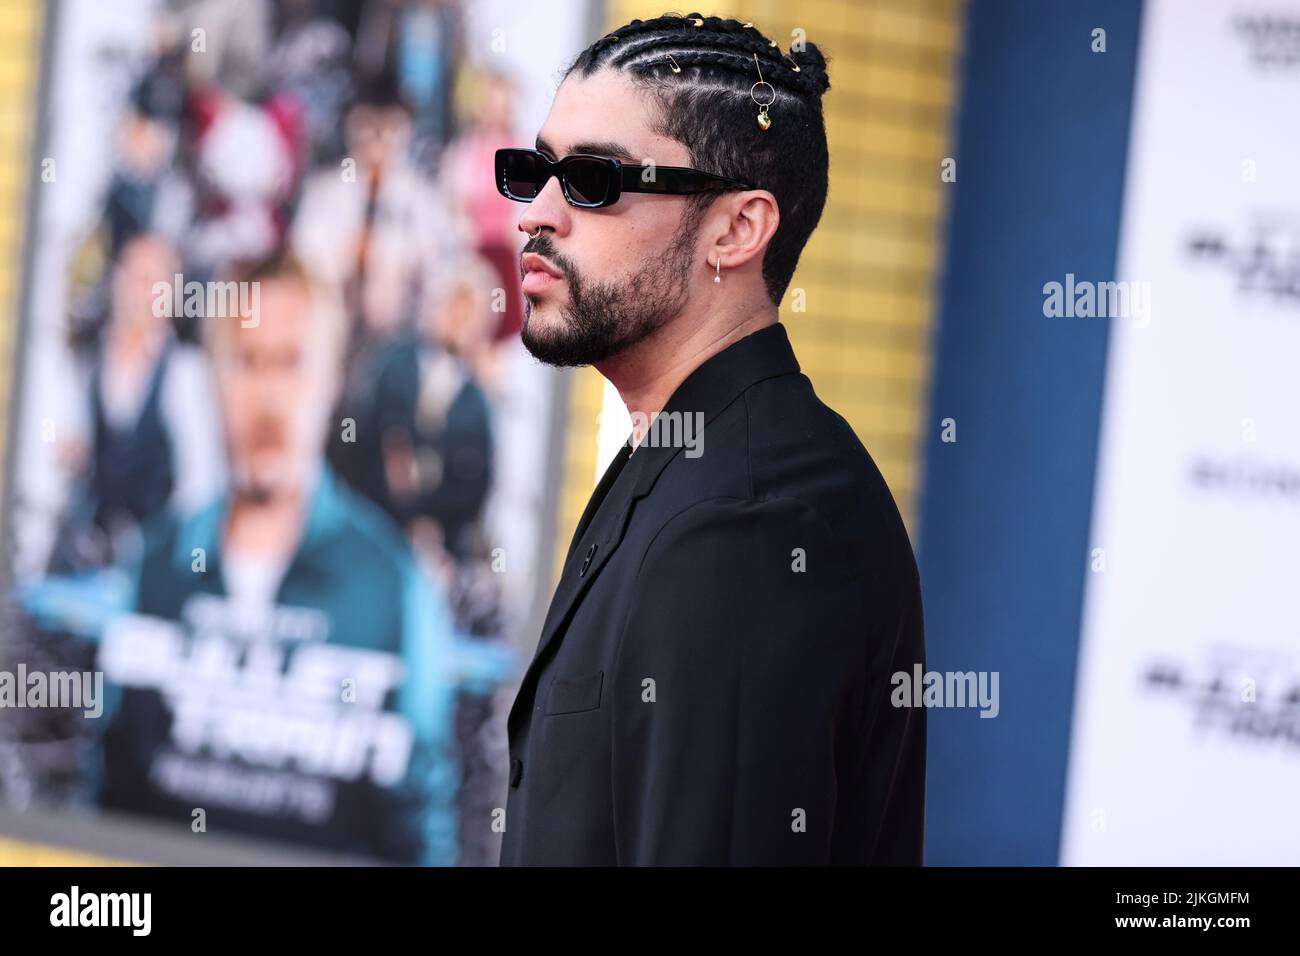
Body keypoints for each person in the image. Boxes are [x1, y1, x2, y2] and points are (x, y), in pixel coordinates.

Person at [496, 13, 926, 865]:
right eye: (535, 169)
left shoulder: (746, 525)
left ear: (736, 230)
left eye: (591, 178)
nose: (536, 213)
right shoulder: (689, 459)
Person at [91, 251, 461, 865]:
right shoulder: (152, 567)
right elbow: (106, 797)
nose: (268, 398)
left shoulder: (393, 588)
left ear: (330, 380)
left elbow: (420, 828)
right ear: (213, 377)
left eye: (292, 364)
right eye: (247, 363)